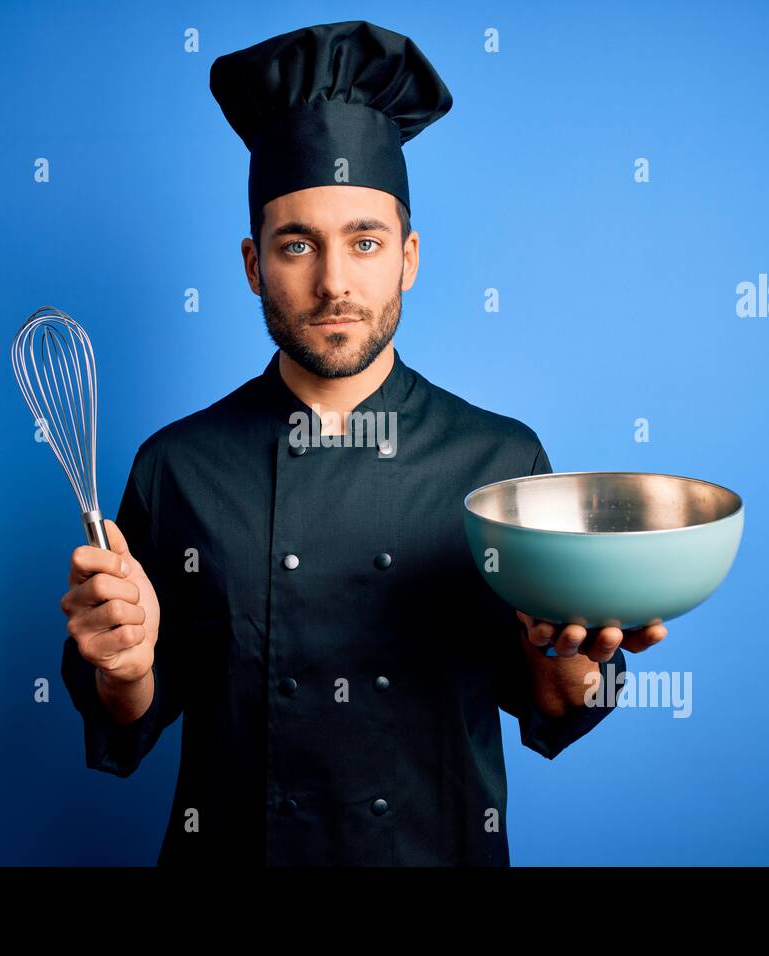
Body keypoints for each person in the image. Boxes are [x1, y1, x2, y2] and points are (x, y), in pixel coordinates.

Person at [59, 20, 668, 866]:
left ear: (409, 257)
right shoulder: (177, 468)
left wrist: (568, 651)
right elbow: (131, 715)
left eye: (366, 241)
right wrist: (123, 669)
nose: (335, 282)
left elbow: (557, 709)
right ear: (251, 264)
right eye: (297, 243)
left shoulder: (500, 464)